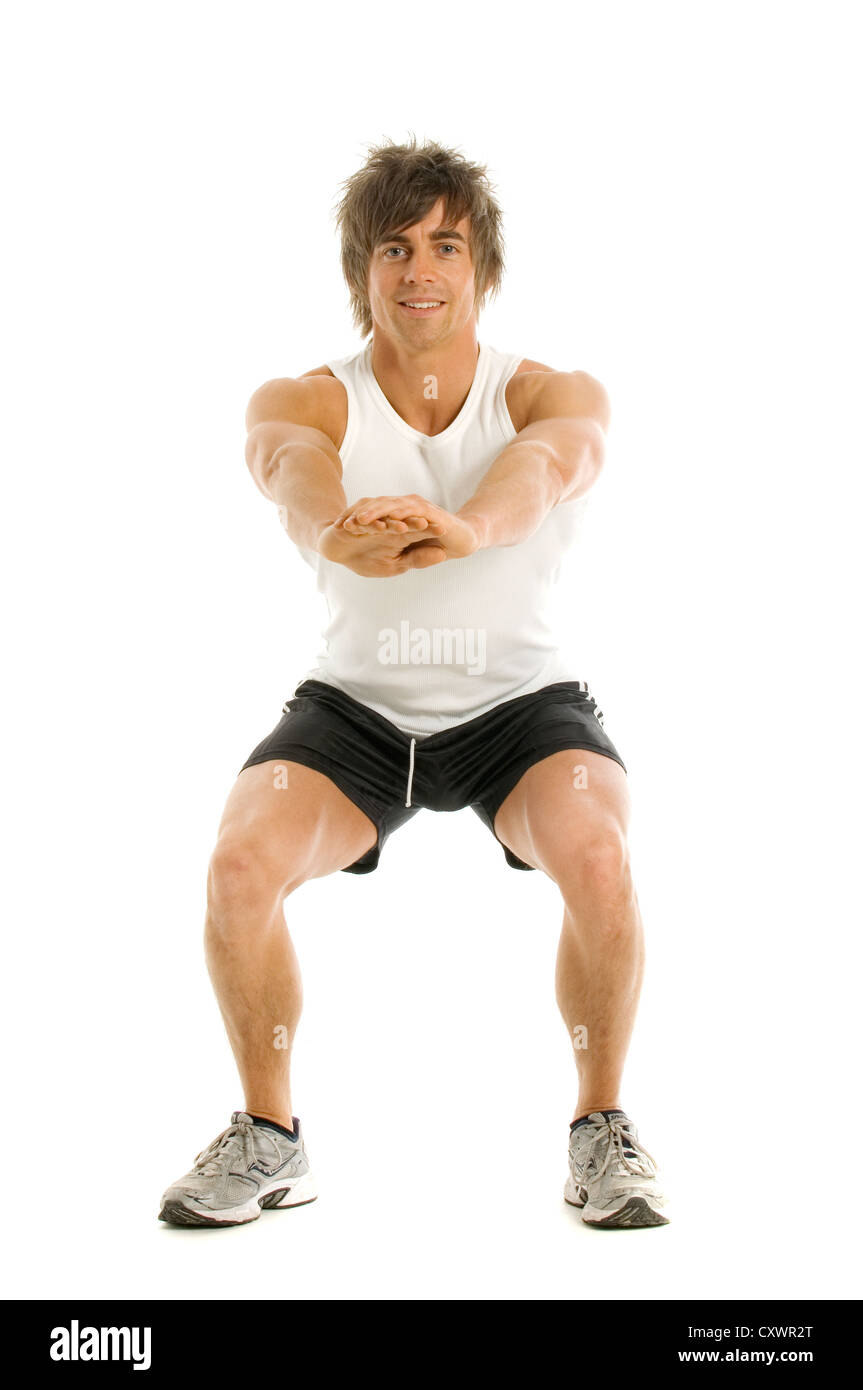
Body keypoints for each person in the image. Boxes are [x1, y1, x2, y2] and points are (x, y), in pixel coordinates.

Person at [159, 137, 669, 1230]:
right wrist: (333, 528)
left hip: (519, 707)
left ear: (481, 267)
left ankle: (598, 1127)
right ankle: (268, 1134)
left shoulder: (547, 389)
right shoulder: (308, 396)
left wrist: (464, 526)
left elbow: (547, 467)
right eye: (394, 247)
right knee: (239, 861)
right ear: (363, 274)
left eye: (444, 243)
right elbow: (289, 468)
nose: (419, 269)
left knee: (596, 851)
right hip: (355, 707)